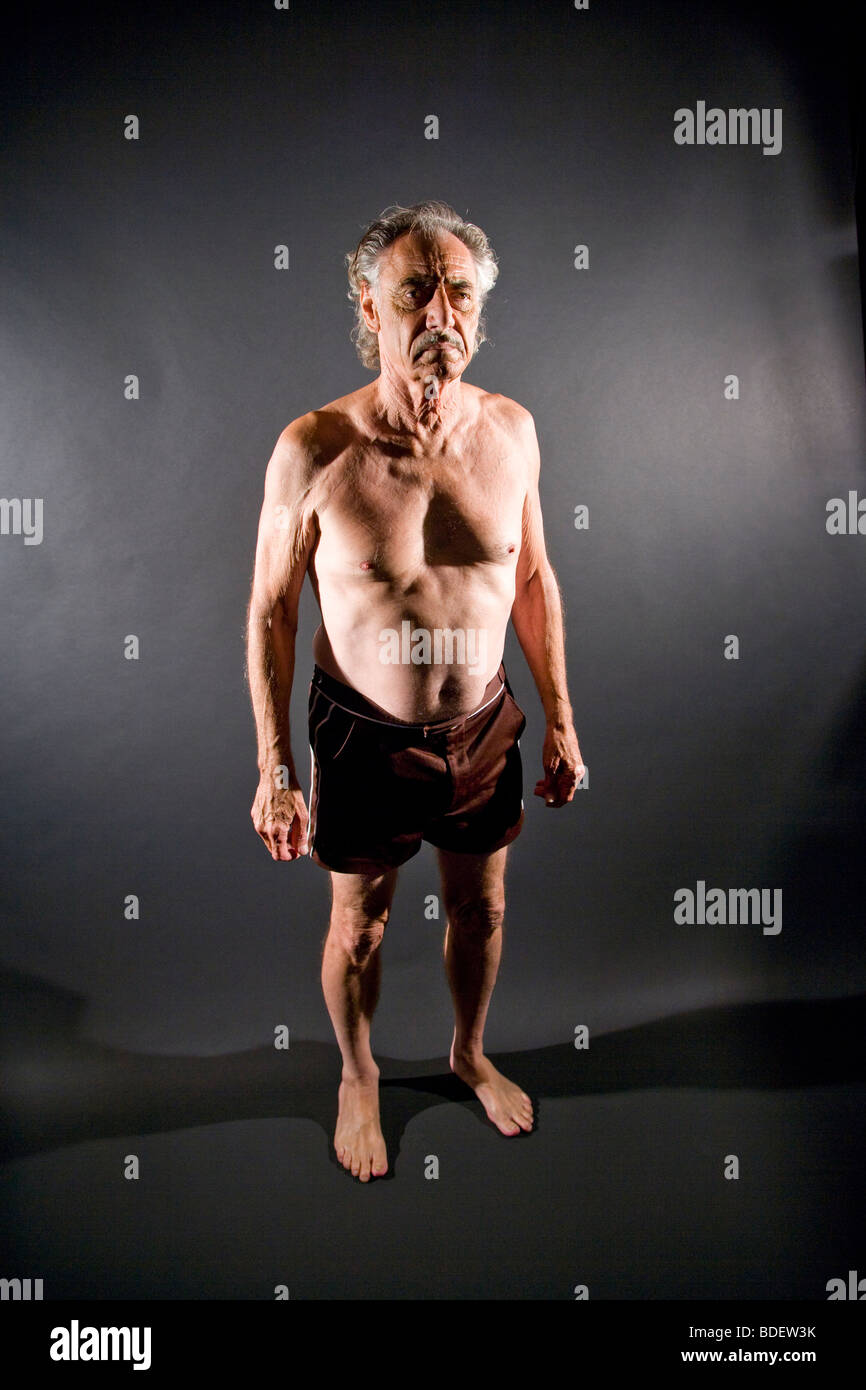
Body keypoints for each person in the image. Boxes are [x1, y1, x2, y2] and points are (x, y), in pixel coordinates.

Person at [247, 200, 585, 1182]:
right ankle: (357, 1074)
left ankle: (468, 1053)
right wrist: (274, 768)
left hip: (483, 728)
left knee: (482, 909)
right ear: (370, 305)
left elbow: (532, 579)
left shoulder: (512, 431)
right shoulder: (314, 448)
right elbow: (272, 612)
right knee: (360, 924)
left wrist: (560, 722)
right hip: (364, 737)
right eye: (415, 292)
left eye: (459, 292)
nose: (441, 312)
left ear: (479, 308)